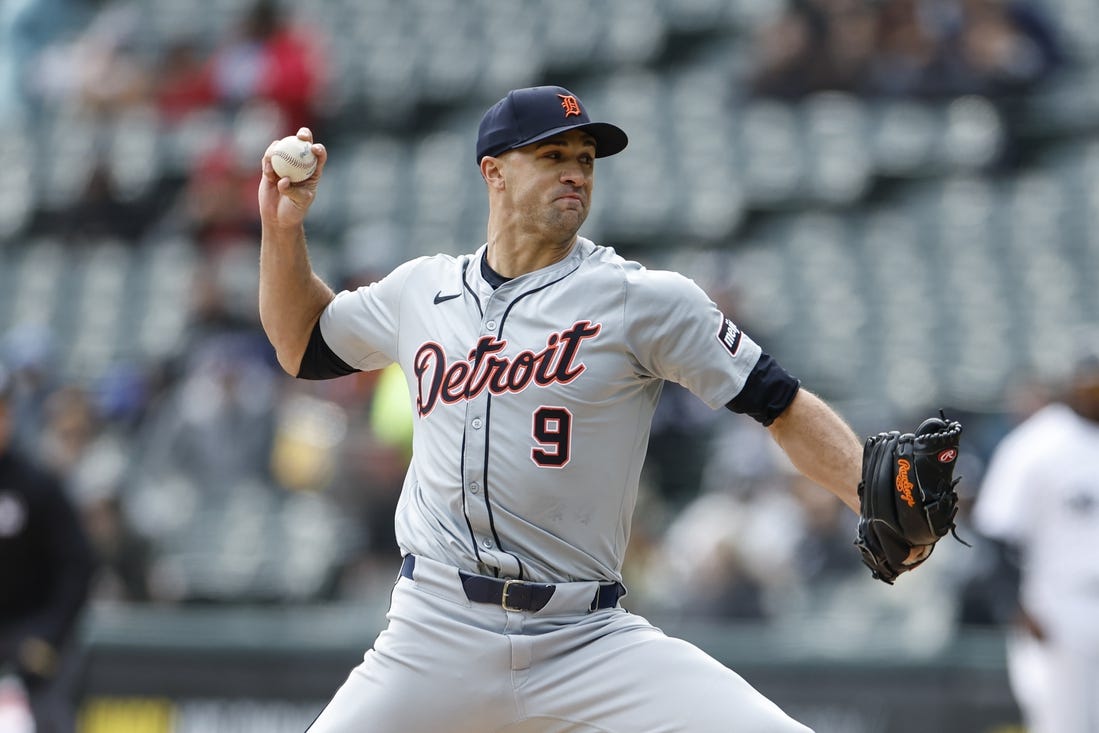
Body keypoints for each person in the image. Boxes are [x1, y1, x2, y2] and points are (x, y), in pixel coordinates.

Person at [258, 85, 926, 732]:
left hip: (585, 637)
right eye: (552, 156)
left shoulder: (640, 299)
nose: (575, 172)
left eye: (585, 158)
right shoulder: (421, 291)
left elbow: (780, 402)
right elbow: (301, 342)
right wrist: (281, 228)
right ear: (493, 172)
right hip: (436, 630)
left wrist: (868, 493)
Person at [971, 343, 1099, 733]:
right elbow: (995, 532)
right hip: (1061, 606)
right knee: (1063, 723)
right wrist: (1014, 606)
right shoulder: (1037, 444)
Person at [0, 365, 97, 733]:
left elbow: (77, 565)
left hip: (33, 633)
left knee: (49, 715)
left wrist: (48, 632)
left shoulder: (36, 486)